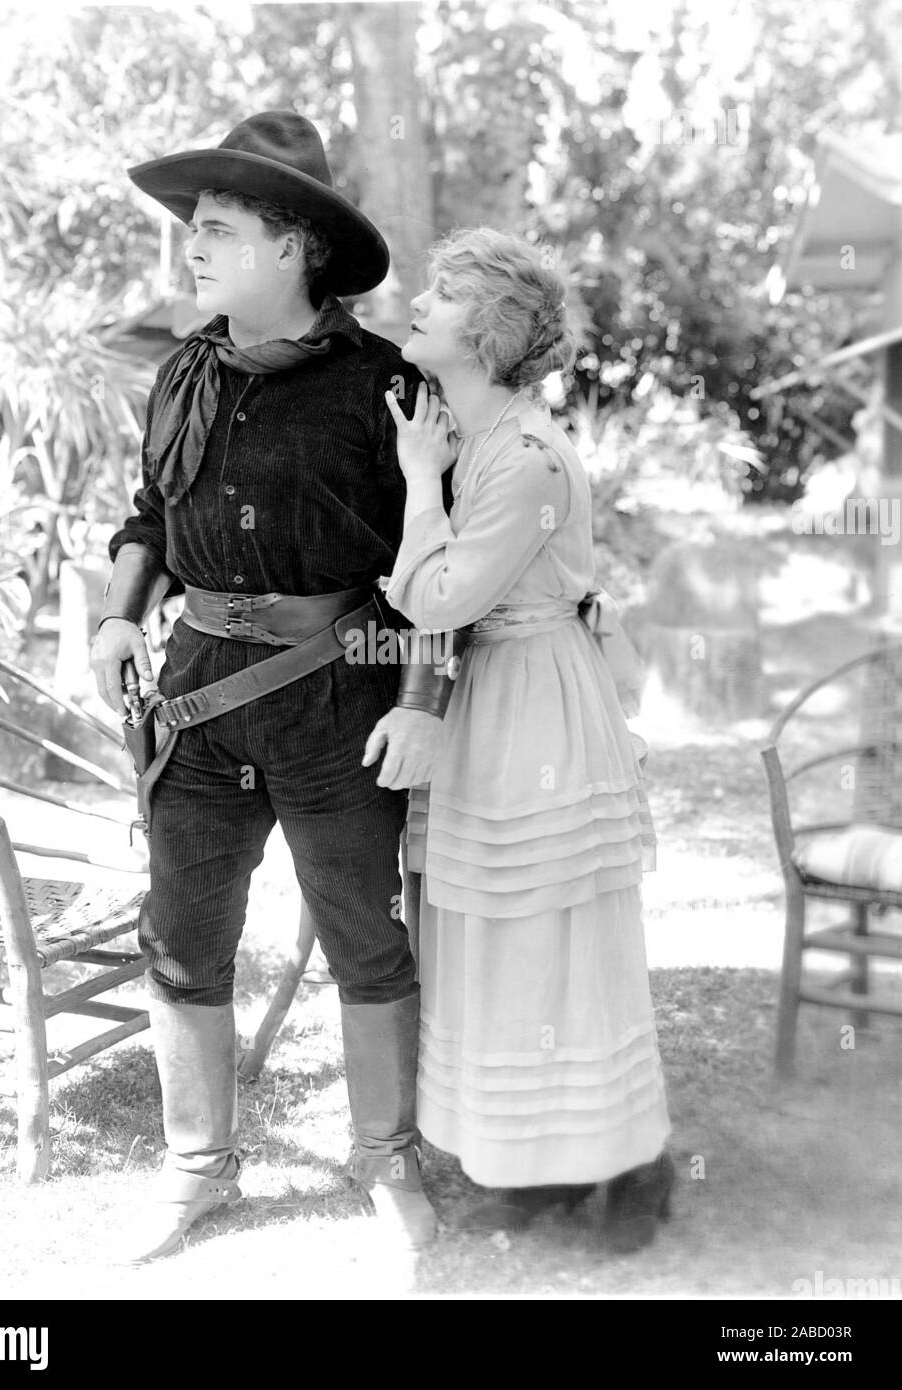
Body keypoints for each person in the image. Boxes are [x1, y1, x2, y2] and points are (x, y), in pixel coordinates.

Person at [91, 110, 460, 1262]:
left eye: (218, 228)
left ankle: (386, 1157)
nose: (191, 249)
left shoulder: (383, 385)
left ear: (296, 243)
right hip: (196, 698)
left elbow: (435, 571)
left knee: (365, 934)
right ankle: (197, 1166)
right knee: (185, 937)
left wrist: (422, 701)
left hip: (338, 700)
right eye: (191, 229)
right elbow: (151, 516)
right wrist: (116, 610)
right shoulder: (180, 371)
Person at [376, 227, 673, 1254]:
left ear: (491, 335)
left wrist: (418, 479)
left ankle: (616, 1172)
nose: (420, 299)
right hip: (500, 696)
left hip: (535, 700)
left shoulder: (528, 460)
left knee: (549, 936)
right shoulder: (486, 439)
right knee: (503, 938)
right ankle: (528, 1161)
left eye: (444, 293)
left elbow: (443, 593)